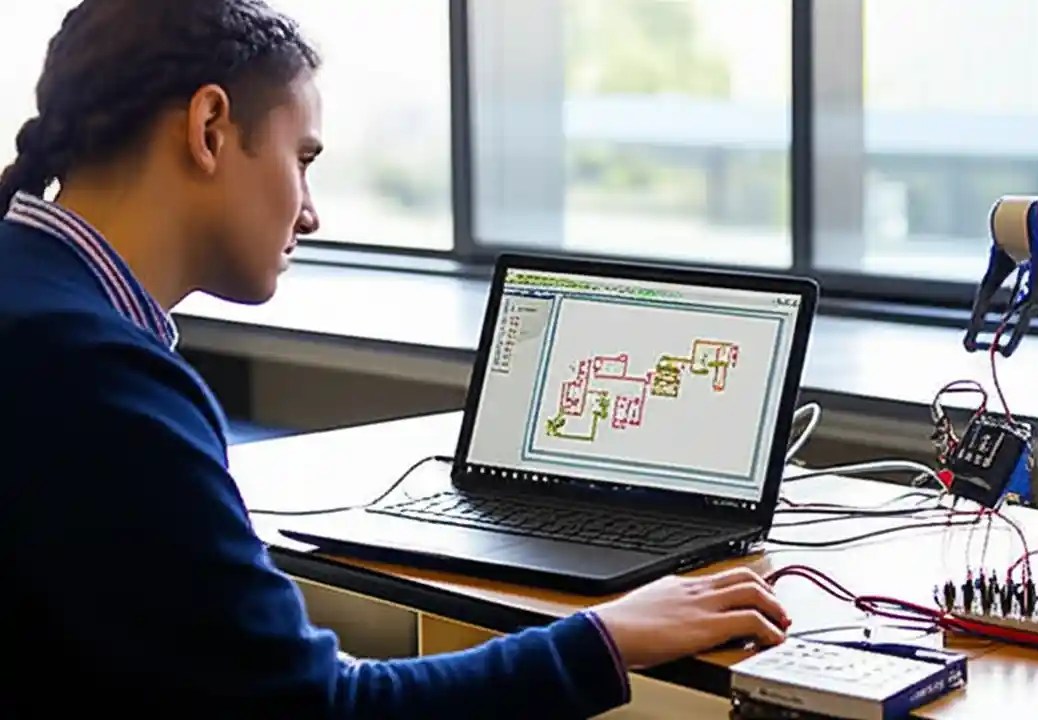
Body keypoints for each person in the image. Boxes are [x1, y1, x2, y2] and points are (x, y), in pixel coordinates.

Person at [0, 1, 790, 717]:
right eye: (302, 158)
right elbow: (324, 710)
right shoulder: (97, 378)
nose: (311, 213)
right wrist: (607, 639)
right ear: (210, 128)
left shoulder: (37, 309)